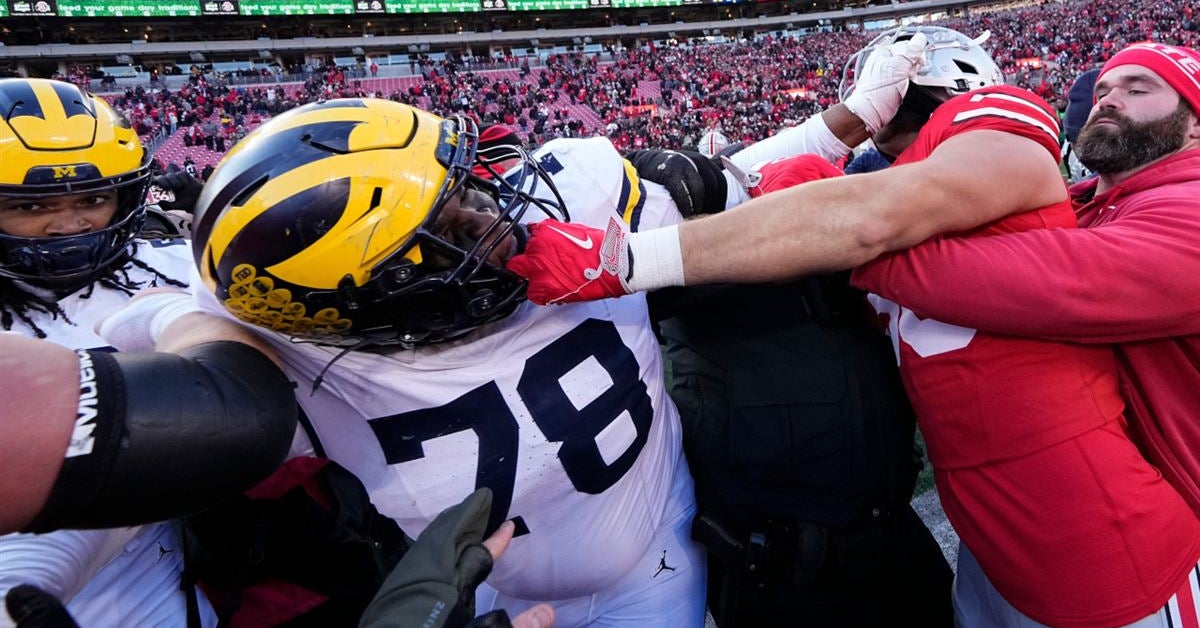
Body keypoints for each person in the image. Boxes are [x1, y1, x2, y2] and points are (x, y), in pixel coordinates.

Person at [99, 33, 936, 626]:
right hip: (483, 599)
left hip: (663, 557)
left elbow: (736, 193)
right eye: (445, 232)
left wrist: (846, 119)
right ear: (365, 303)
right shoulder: (275, 344)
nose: (490, 215)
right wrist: (203, 346)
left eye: (463, 184)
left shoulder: (575, 187)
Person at [508, 30, 1200, 627]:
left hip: (1104, 543)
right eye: (1104, 86)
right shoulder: (1086, 200)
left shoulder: (998, 119)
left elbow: (881, 227)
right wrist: (812, 197)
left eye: (1136, 87)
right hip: (995, 539)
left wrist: (631, 259)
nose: (1107, 99)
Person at [0, 77, 218, 628]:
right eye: (31, 204)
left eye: (93, 199)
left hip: (171, 578)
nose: (70, 225)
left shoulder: (179, 269)